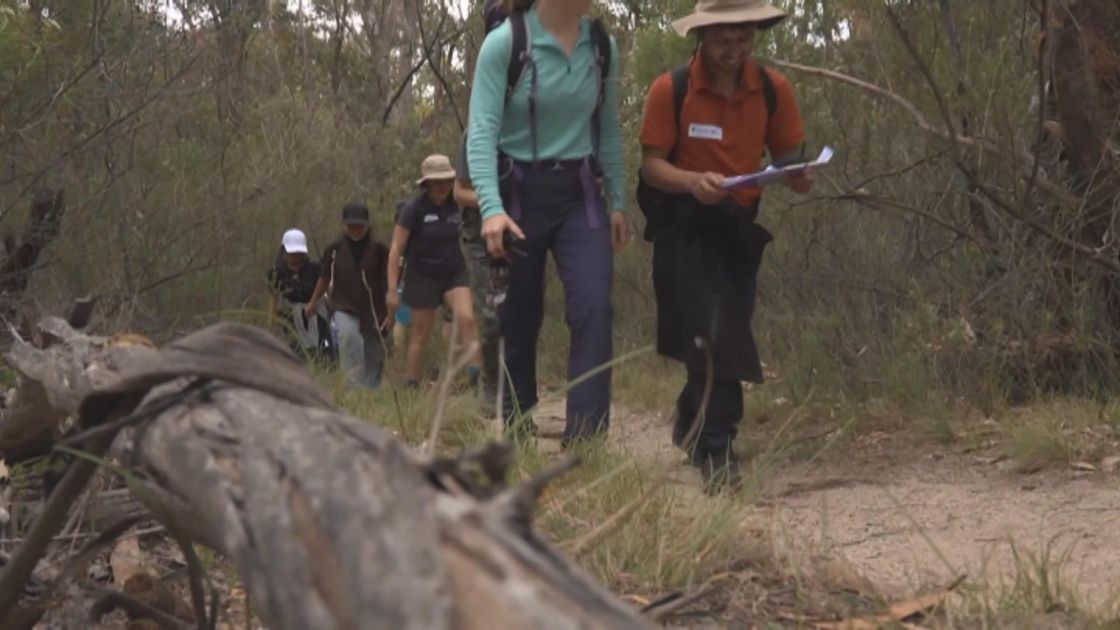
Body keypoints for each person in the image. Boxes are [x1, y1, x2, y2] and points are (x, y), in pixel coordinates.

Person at [638, 0, 815, 491]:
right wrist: (694, 181)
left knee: (723, 328)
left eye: (743, 36)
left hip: (737, 228)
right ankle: (716, 446)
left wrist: (801, 174)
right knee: (717, 333)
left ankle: (691, 420)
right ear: (701, 36)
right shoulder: (669, 90)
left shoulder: (774, 91)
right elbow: (652, 165)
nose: (732, 48)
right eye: (722, 37)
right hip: (682, 224)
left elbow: (789, 162)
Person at [467, 0, 627, 443]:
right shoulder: (506, 45)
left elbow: (608, 128)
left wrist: (617, 199)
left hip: (580, 194)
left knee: (594, 305)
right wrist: (490, 207)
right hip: (519, 191)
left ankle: (587, 439)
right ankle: (516, 422)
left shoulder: (602, 47)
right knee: (519, 315)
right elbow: (481, 131)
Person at [452, 1, 514, 414]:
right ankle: (490, 389)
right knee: (491, 318)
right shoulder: (478, 128)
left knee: (521, 315)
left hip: (522, 235)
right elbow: (460, 191)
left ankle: (516, 392)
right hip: (480, 238)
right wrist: (495, 200)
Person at [386, 154, 481, 389]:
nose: (442, 187)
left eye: (447, 181)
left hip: (453, 272)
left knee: (467, 319)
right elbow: (396, 249)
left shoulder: (457, 205)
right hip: (422, 275)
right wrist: (392, 289)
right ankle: (411, 382)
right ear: (426, 184)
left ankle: (477, 378)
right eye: (436, 182)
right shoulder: (413, 209)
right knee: (420, 333)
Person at [305, 203, 391, 389]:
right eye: (351, 226)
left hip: (374, 308)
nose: (355, 230)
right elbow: (325, 277)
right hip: (344, 304)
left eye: (360, 226)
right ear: (344, 225)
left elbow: (390, 280)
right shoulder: (334, 250)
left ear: (368, 225)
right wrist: (313, 302)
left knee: (374, 349)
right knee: (349, 337)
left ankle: (371, 390)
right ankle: (353, 387)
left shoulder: (380, 250)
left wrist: (390, 310)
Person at [266, 228, 334, 361]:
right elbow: (273, 296)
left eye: (298, 252)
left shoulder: (315, 268)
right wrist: (271, 318)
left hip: (316, 311)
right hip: (291, 314)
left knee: (322, 345)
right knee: (296, 347)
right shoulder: (276, 272)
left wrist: (331, 309)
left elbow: (326, 287)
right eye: (292, 252)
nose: (295, 255)